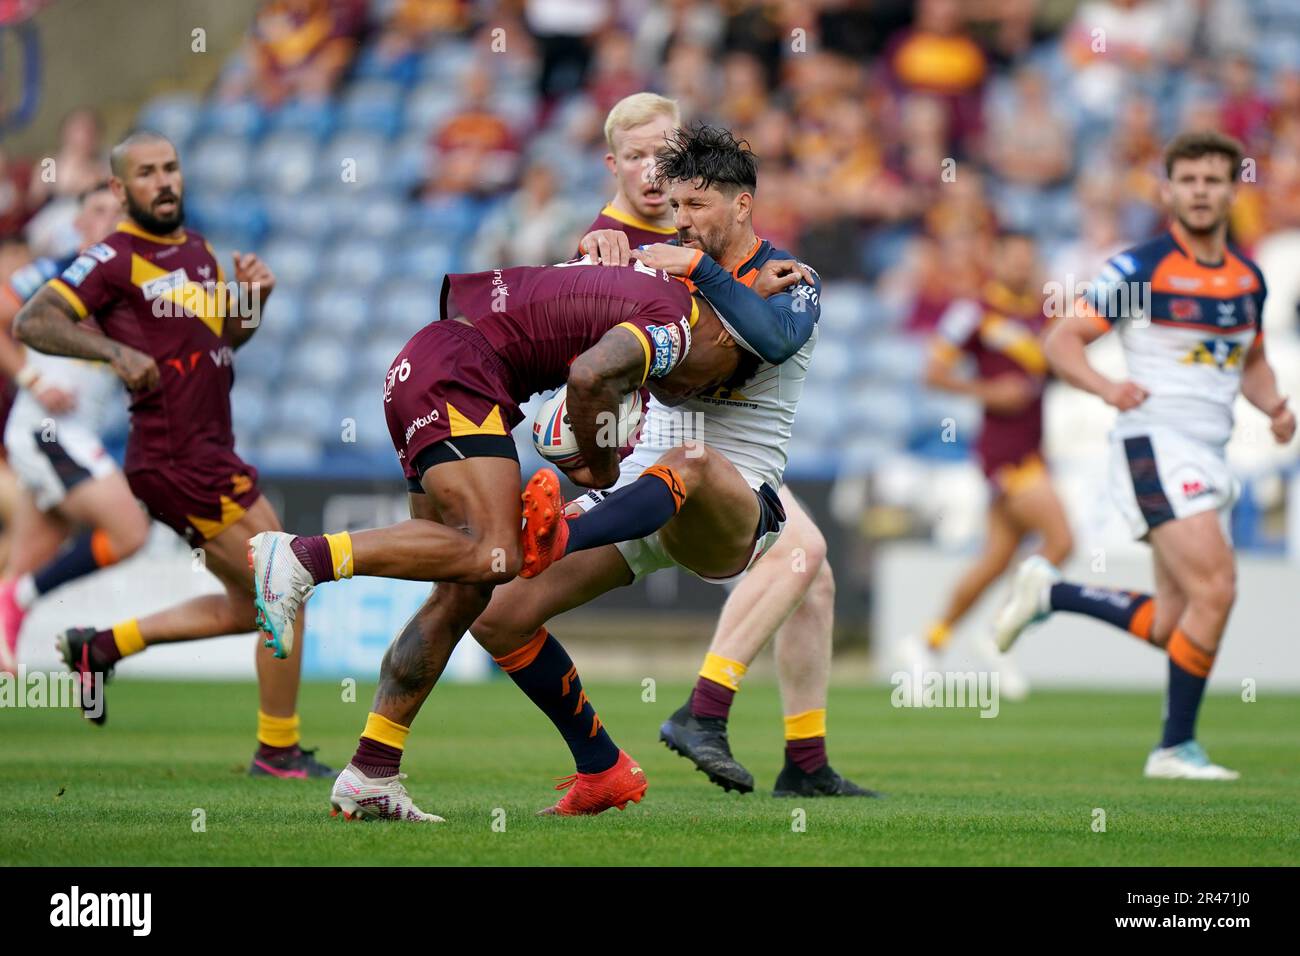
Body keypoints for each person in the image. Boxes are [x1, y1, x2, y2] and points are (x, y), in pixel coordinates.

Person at [250, 257, 743, 821]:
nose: (682, 391)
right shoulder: (677, 316)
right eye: (710, 377)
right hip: (462, 371)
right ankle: (303, 556)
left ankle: (371, 772)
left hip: (428, 366)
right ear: (719, 333)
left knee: (461, 590)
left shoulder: (642, 274)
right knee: (495, 554)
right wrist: (602, 467)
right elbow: (586, 377)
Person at [12, 131, 331, 778]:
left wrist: (253, 302)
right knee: (284, 587)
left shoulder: (198, 253)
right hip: (172, 455)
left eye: (171, 169)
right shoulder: (112, 258)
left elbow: (222, 343)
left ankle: (102, 646)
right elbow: (33, 322)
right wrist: (114, 352)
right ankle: (278, 752)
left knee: (255, 605)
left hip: (213, 449)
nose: (164, 182)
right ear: (121, 188)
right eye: (148, 173)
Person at [577, 102, 862, 797]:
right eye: (675, 205)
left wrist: (704, 274)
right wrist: (593, 255)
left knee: (812, 573)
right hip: (657, 471)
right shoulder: (658, 268)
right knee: (497, 605)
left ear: (742, 204)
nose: (682, 220)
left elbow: (769, 338)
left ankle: (806, 763)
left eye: (696, 204)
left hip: (719, 476)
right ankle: (701, 713)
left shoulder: (788, 275)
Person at [994, 131, 1295, 780]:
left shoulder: (1248, 279)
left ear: (1230, 189)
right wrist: (1107, 386)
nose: (1200, 191)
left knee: (1176, 623)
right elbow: (1061, 338)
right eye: (1188, 180)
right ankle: (1174, 748)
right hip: (1155, 443)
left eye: (1213, 180)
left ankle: (1054, 594)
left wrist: (1273, 407)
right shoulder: (1142, 268)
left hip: (1211, 455)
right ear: (1168, 190)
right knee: (1218, 587)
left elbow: (1254, 361)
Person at [0, 182, 148, 674]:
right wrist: (31, 376)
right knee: (129, 530)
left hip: (70, 434)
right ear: (80, 224)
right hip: (47, 431)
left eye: (118, 213)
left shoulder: (129, 283)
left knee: (22, 569)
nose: (111, 221)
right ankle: (20, 599)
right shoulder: (59, 271)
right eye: (99, 211)